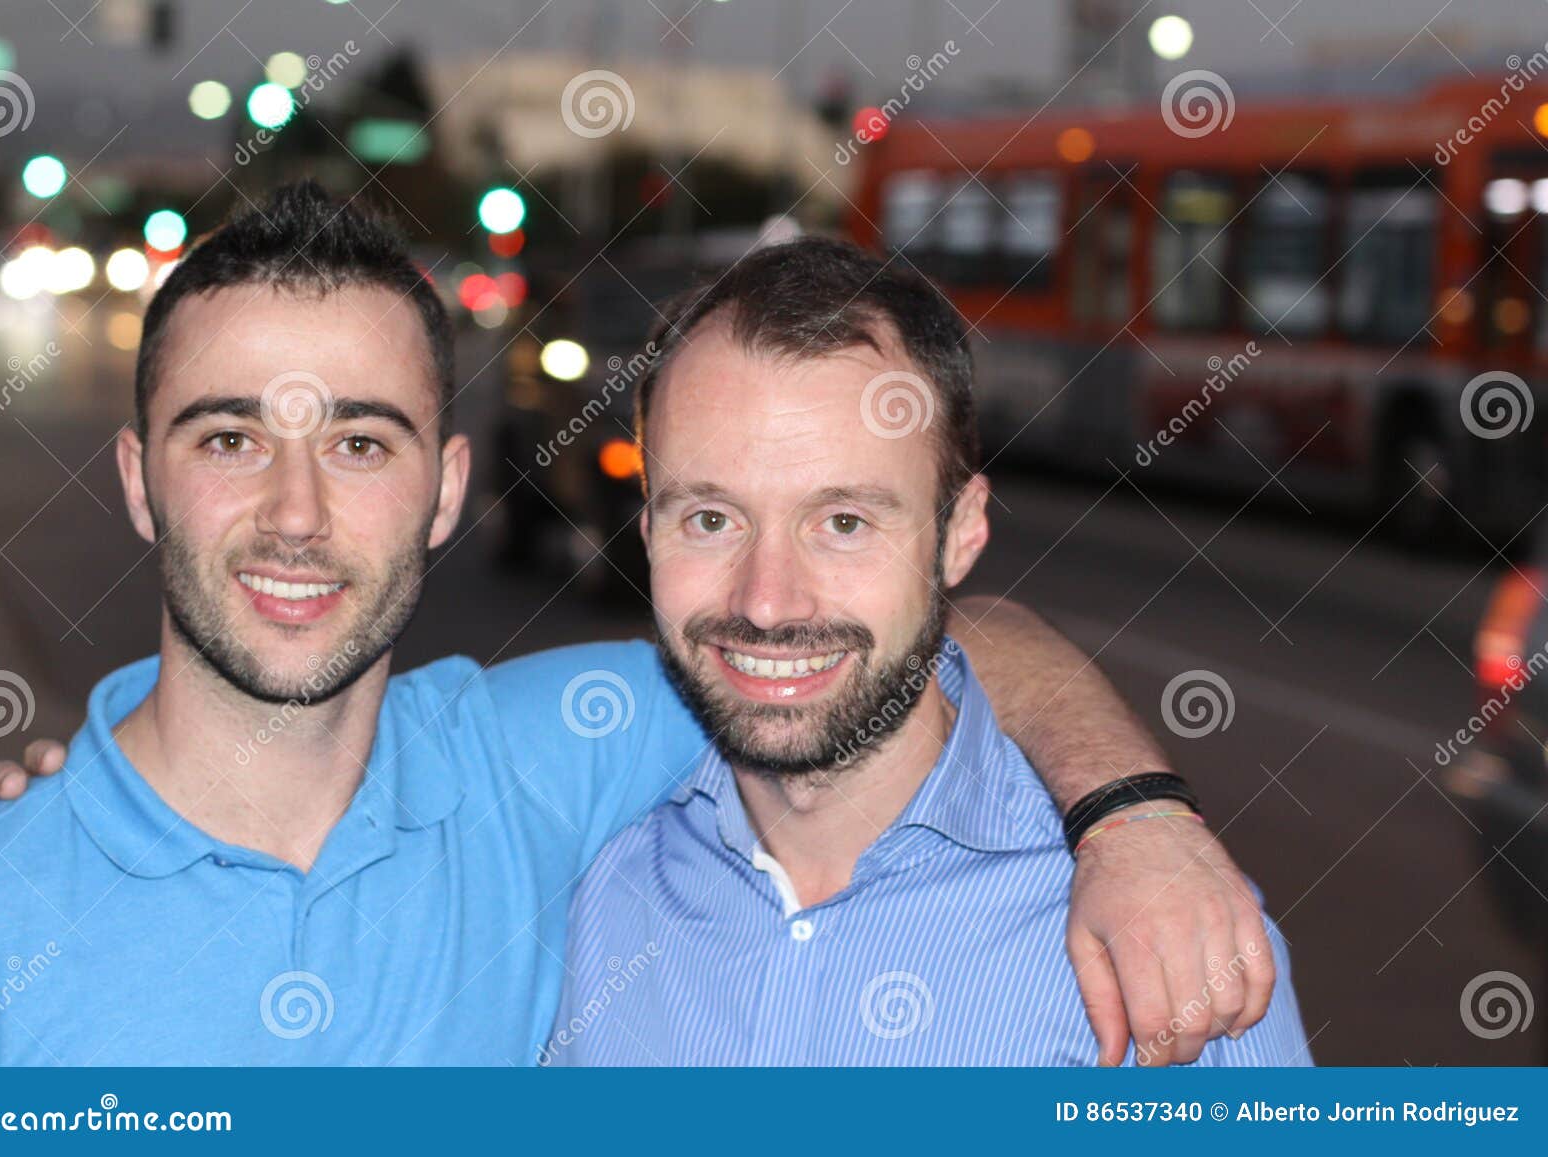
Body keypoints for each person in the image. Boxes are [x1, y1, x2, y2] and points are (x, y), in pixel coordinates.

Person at [0, 181, 1272, 1066]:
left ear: (447, 490)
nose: (296, 514)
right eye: (230, 436)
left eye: (361, 440)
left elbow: (903, 635)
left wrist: (1134, 814)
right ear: (137, 478)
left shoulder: (549, 760)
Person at [541, 239, 1308, 1065]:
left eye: (844, 523)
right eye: (712, 519)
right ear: (650, 529)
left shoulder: (1170, 946)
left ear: (961, 533)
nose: (765, 601)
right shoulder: (577, 881)